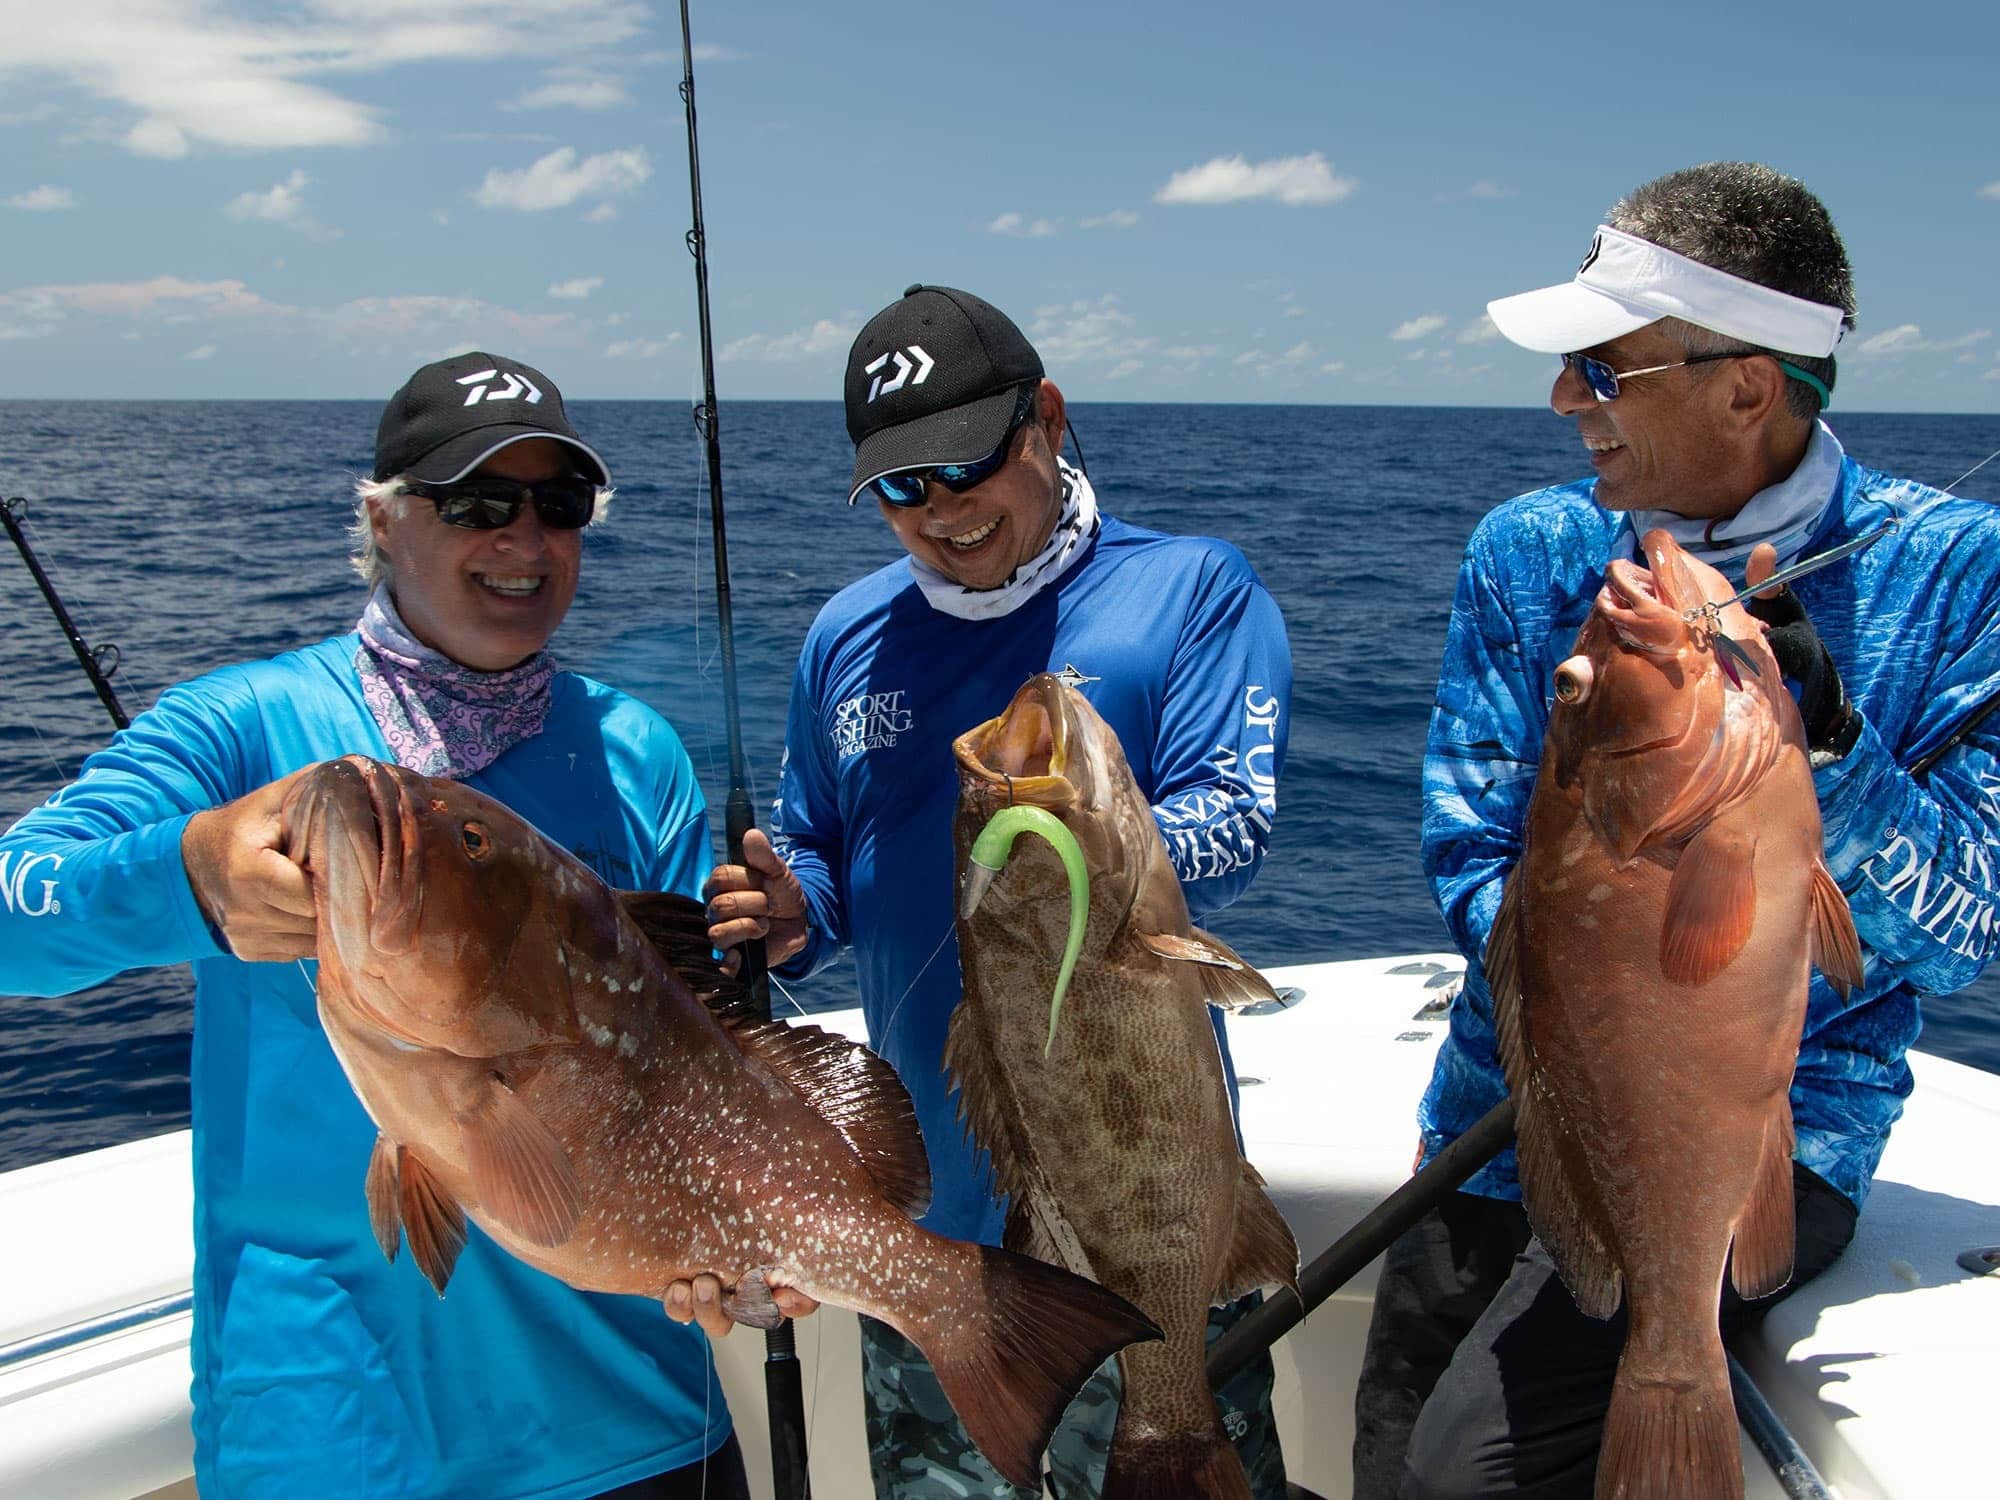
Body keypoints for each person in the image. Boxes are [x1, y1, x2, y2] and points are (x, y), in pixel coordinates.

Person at [0, 352, 769, 1499]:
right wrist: (189, 874)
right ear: (382, 520)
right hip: (334, 1432)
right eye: (475, 504)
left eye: (556, 508)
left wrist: (731, 1244)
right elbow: (18, 905)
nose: (523, 540)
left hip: (636, 1407)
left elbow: (686, 1053)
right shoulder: (245, 726)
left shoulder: (637, 752)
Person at [1352, 162, 2000, 1499]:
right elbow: (1467, 841)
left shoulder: (1961, 578)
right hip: (1498, 1107)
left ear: (1747, 385)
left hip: (1769, 1130)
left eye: (1603, 369)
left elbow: (1966, 933)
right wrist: (1600, 954)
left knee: (1465, 1478)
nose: (1563, 402)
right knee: (1387, 1457)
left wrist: (1829, 748)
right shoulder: (1529, 549)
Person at [702, 284, 1297, 1498]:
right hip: (927, 1241)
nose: (940, 511)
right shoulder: (843, 638)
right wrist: (790, 907)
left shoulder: (1188, 590)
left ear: (1048, 420)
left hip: (1137, 1214)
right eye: (899, 488)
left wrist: (1061, 852)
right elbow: (819, 845)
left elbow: (1232, 821)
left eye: (964, 465)